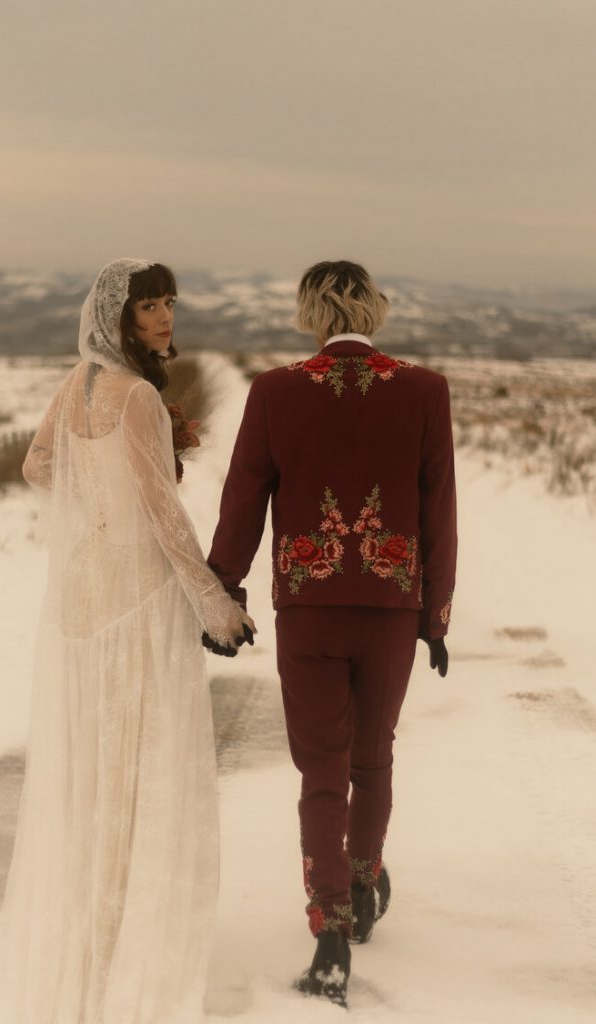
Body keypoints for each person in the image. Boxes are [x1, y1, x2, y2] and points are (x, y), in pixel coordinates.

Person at [0, 258, 255, 1023]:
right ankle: (127, 951)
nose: (165, 317)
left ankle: (91, 934)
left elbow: (37, 464)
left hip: (80, 595)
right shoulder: (138, 394)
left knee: (93, 765)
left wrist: (94, 504)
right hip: (138, 597)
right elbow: (165, 519)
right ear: (120, 317)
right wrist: (214, 605)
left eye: (169, 303)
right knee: (141, 762)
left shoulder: (74, 385)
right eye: (149, 306)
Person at [207, 260, 457, 1009]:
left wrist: (223, 588)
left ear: (309, 312)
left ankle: (329, 926)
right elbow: (437, 507)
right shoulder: (422, 389)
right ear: (373, 308)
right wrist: (433, 615)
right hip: (388, 601)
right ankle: (363, 874)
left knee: (321, 771)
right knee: (372, 756)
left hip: (308, 604)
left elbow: (243, 496)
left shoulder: (275, 391)